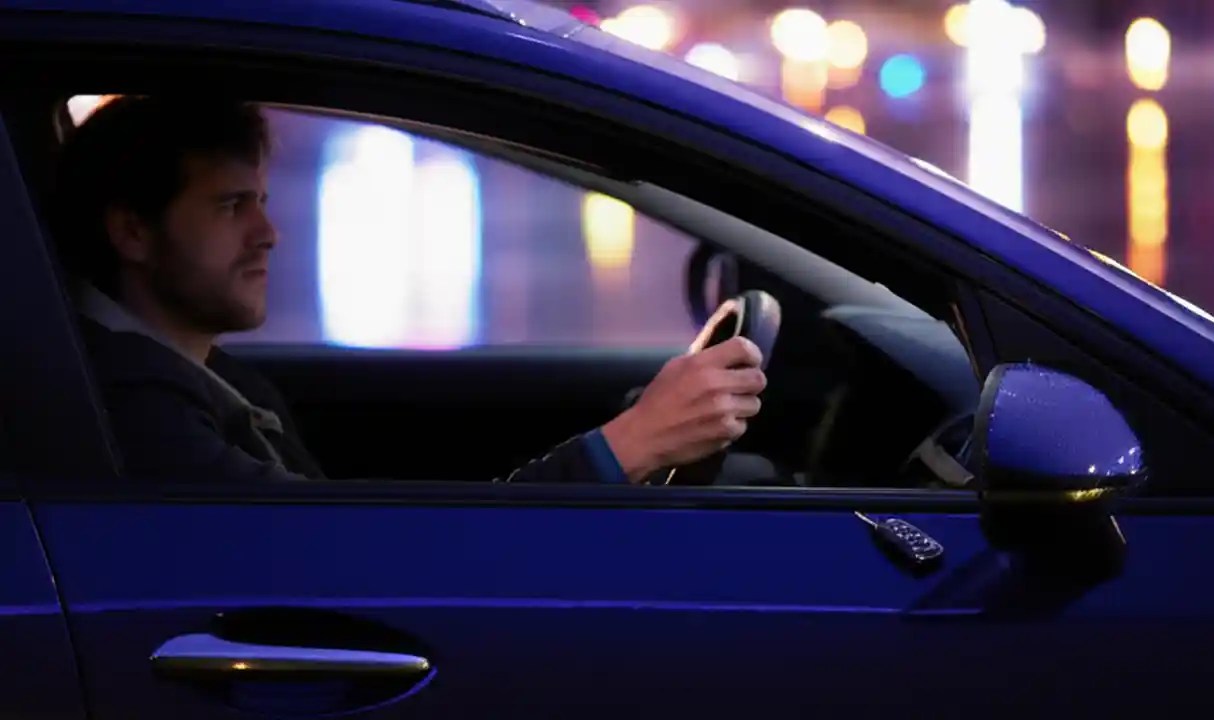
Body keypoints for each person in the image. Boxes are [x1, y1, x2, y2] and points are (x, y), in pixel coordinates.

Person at [51, 95, 768, 485]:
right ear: (133, 233)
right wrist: (628, 445)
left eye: (264, 200)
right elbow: (354, 571)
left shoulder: (205, 379)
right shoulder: (132, 411)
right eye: (232, 206)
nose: (269, 233)